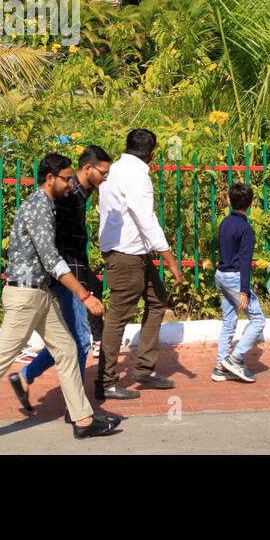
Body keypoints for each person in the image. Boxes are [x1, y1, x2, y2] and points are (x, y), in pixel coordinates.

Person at [0, 153, 119, 451]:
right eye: (66, 179)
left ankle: (83, 421)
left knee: (66, 349)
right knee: (0, 360)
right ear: (50, 179)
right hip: (26, 296)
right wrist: (85, 295)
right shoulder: (39, 207)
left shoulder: (47, 205)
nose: (70, 184)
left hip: (39, 294)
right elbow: (51, 259)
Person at [8, 145, 111, 411]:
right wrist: (80, 290)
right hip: (67, 274)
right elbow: (53, 245)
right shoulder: (70, 194)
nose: (105, 178)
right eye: (103, 172)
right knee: (79, 338)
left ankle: (25, 377)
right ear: (88, 168)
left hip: (74, 271)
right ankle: (76, 407)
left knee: (65, 340)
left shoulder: (80, 193)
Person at [95, 128, 184, 401]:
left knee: (157, 300)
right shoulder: (137, 176)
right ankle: (107, 381)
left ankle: (144, 369)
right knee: (118, 317)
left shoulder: (116, 170)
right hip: (127, 255)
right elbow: (146, 218)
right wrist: (169, 258)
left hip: (131, 252)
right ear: (152, 153)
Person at [213, 182, 264, 383]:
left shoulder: (224, 223)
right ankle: (235, 358)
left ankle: (220, 367)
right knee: (258, 320)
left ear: (229, 201)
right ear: (250, 203)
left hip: (221, 275)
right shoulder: (246, 229)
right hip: (234, 278)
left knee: (229, 321)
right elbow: (245, 261)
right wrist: (244, 291)